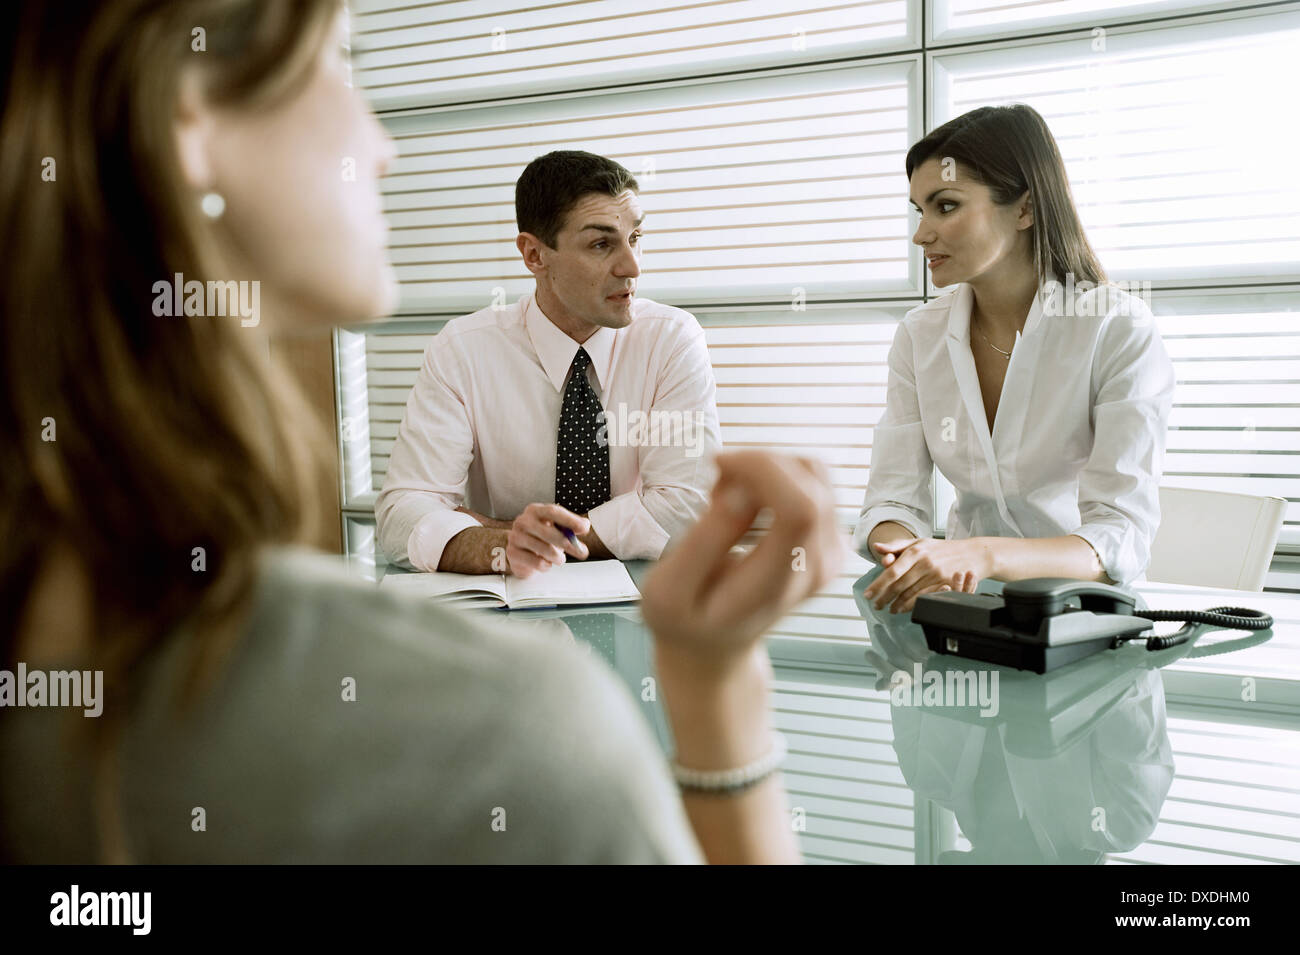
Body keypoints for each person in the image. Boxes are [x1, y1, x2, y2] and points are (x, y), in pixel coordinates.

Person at [0, 0, 841, 865]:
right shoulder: (519, 722)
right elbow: (407, 508)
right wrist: (719, 689)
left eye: (637, 240)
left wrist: (565, 540)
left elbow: (676, 499)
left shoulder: (46, 616)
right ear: (189, 116)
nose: (382, 145)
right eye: (333, 62)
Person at [855, 105, 1176, 615]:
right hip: (964, 612)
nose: (922, 234)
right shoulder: (919, 336)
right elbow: (894, 499)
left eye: (946, 206)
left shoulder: (1116, 327)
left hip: (1086, 618)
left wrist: (981, 554)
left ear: (1024, 209)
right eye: (920, 211)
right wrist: (900, 545)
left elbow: (1119, 533)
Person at [375, 150, 722, 579]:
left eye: (635, 238)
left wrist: (512, 533)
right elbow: (401, 516)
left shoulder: (671, 339)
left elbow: (687, 509)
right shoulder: (463, 350)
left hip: (642, 608)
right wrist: (506, 546)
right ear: (535, 255)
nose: (632, 267)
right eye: (601, 244)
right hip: (510, 612)